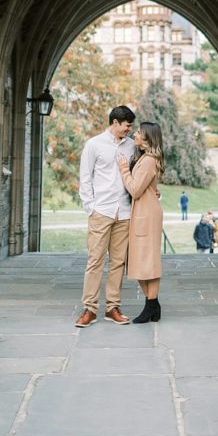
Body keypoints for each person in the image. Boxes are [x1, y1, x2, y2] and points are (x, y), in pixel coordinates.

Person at [75, 105, 137, 327]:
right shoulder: (94, 145)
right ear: (115, 123)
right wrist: (90, 208)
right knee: (95, 261)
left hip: (124, 212)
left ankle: (113, 307)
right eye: (126, 126)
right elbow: (85, 177)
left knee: (118, 262)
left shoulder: (131, 146)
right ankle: (89, 309)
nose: (129, 130)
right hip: (101, 211)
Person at [117, 120, 164, 324]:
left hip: (146, 214)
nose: (134, 134)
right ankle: (153, 305)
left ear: (146, 138)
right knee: (138, 261)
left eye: (138, 132)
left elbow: (135, 190)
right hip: (143, 212)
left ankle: (151, 305)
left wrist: (124, 169)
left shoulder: (149, 160)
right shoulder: (145, 158)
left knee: (148, 262)